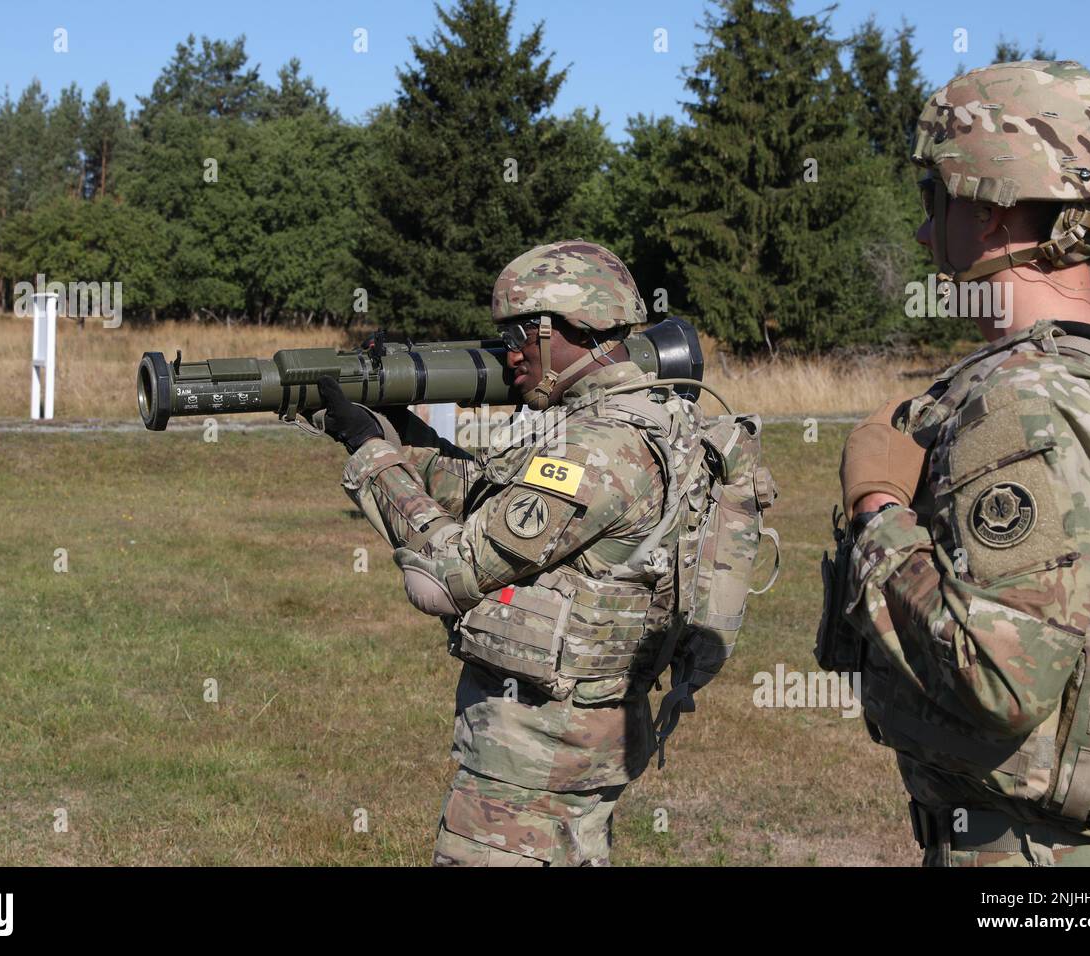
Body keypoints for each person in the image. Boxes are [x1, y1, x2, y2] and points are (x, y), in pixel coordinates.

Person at [314, 240, 758, 865]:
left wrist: (369, 454)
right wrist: (398, 433)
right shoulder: (640, 419)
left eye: (521, 331)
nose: (509, 352)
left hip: (533, 761)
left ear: (569, 330)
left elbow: (447, 574)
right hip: (575, 747)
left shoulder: (599, 449)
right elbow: (492, 503)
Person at [834, 60, 1090, 866]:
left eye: (932, 199)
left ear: (991, 212)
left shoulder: (1028, 397)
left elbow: (1001, 678)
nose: (920, 233)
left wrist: (877, 510)